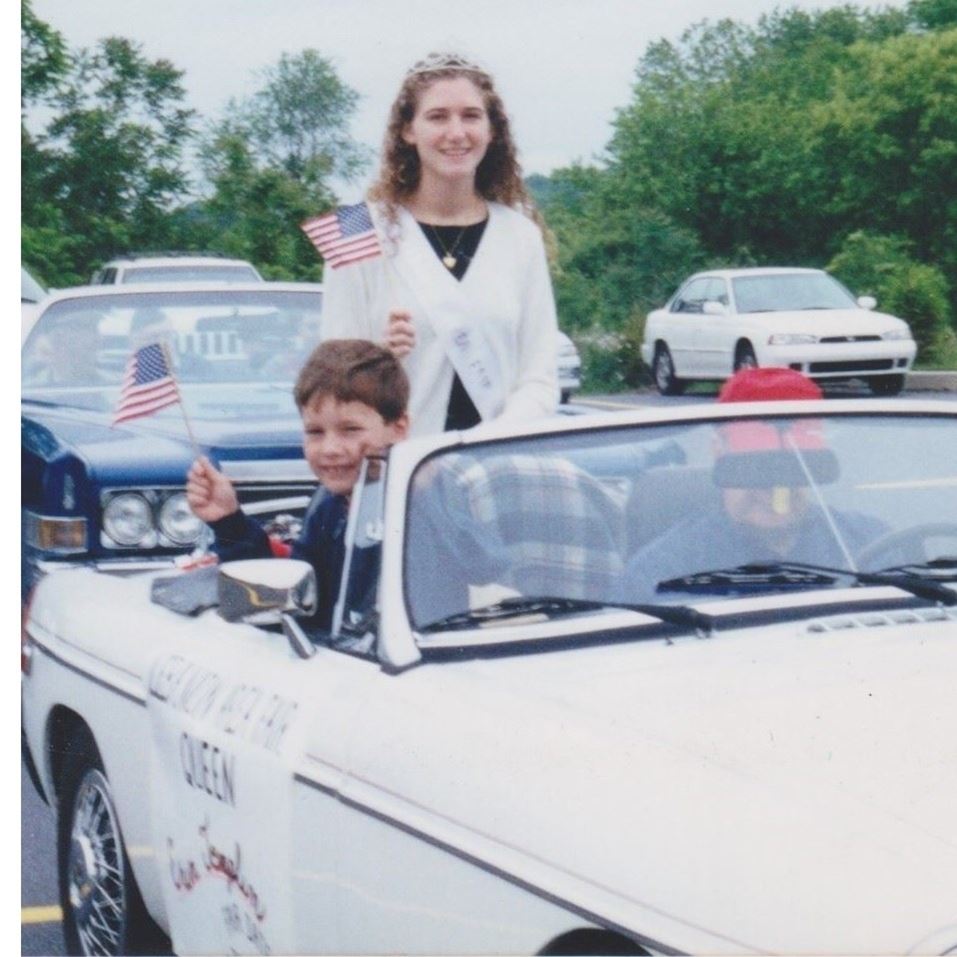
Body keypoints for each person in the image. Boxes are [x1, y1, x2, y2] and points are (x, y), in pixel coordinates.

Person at [320, 51, 559, 436]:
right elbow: (329, 381)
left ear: (492, 130)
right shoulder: (356, 231)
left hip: (497, 464)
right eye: (437, 116)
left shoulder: (520, 235)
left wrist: (488, 441)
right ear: (407, 130)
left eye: (470, 115)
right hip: (398, 473)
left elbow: (540, 380)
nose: (456, 132)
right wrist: (377, 359)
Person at [186, 339, 410, 630]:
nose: (330, 448)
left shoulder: (419, 506)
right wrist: (229, 522)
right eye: (315, 432)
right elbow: (298, 605)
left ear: (399, 429)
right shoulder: (328, 505)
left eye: (350, 429)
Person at [617, 367, 888, 600]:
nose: (773, 490)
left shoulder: (871, 542)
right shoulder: (660, 571)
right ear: (719, 453)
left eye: (792, 467)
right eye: (754, 467)